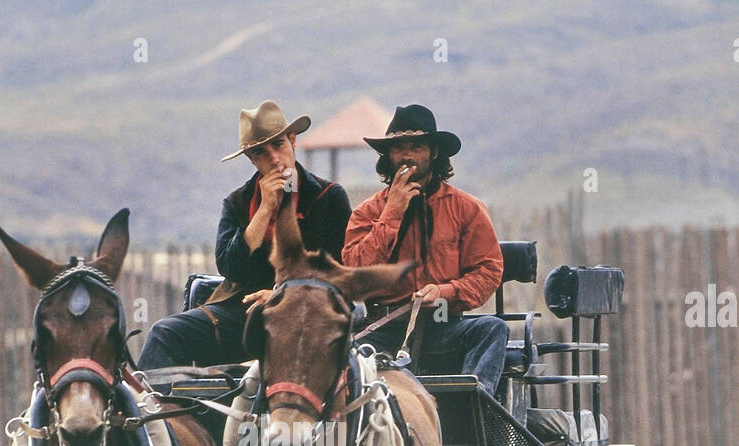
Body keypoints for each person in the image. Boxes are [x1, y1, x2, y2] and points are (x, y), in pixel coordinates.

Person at [137, 101, 351, 370]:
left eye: (279, 145)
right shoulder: (238, 202)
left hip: (310, 315)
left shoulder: (328, 197)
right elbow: (230, 267)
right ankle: (159, 410)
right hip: (244, 315)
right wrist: (264, 210)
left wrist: (282, 295)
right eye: (261, 152)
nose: (273, 158)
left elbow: (337, 270)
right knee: (164, 334)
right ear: (252, 159)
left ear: (293, 141)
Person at [341, 104, 507, 395]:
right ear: (387, 156)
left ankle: (471, 410)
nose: (406, 155)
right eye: (398, 148)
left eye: (416, 146)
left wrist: (446, 292)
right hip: (383, 329)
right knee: (335, 352)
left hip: (443, 326)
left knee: (492, 330)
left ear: (433, 152)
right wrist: (392, 213)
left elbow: (488, 270)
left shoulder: (467, 209)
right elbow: (354, 273)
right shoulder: (368, 212)